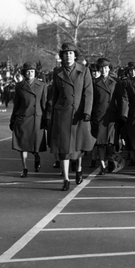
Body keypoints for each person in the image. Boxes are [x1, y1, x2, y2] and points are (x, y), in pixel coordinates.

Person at [45, 43, 96, 191]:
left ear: (75, 55)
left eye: (71, 53)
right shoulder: (57, 72)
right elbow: (53, 95)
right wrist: (50, 114)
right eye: (66, 53)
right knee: (64, 148)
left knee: (78, 145)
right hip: (62, 114)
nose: (68, 56)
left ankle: (79, 169)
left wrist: (87, 112)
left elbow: (89, 93)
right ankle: (66, 178)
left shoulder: (84, 71)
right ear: (62, 56)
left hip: (79, 115)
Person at [9, 62, 47, 177]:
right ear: (24, 73)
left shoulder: (42, 86)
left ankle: (36, 156)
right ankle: (24, 167)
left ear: (35, 73)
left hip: (36, 119)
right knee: (22, 145)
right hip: (23, 118)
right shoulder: (19, 86)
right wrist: (12, 119)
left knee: (35, 145)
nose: (30, 73)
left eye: (32, 71)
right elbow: (16, 104)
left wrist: (46, 119)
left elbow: (44, 104)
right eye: (28, 71)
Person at [90, 58, 119, 176]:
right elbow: (92, 100)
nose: (103, 70)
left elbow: (119, 99)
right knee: (100, 143)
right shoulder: (94, 83)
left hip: (112, 116)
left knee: (110, 143)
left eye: (106, 68)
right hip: (99, 116)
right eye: (101, 68)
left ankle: (110, 161)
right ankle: (102, 165)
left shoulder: (116, 82)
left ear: (109, 69)